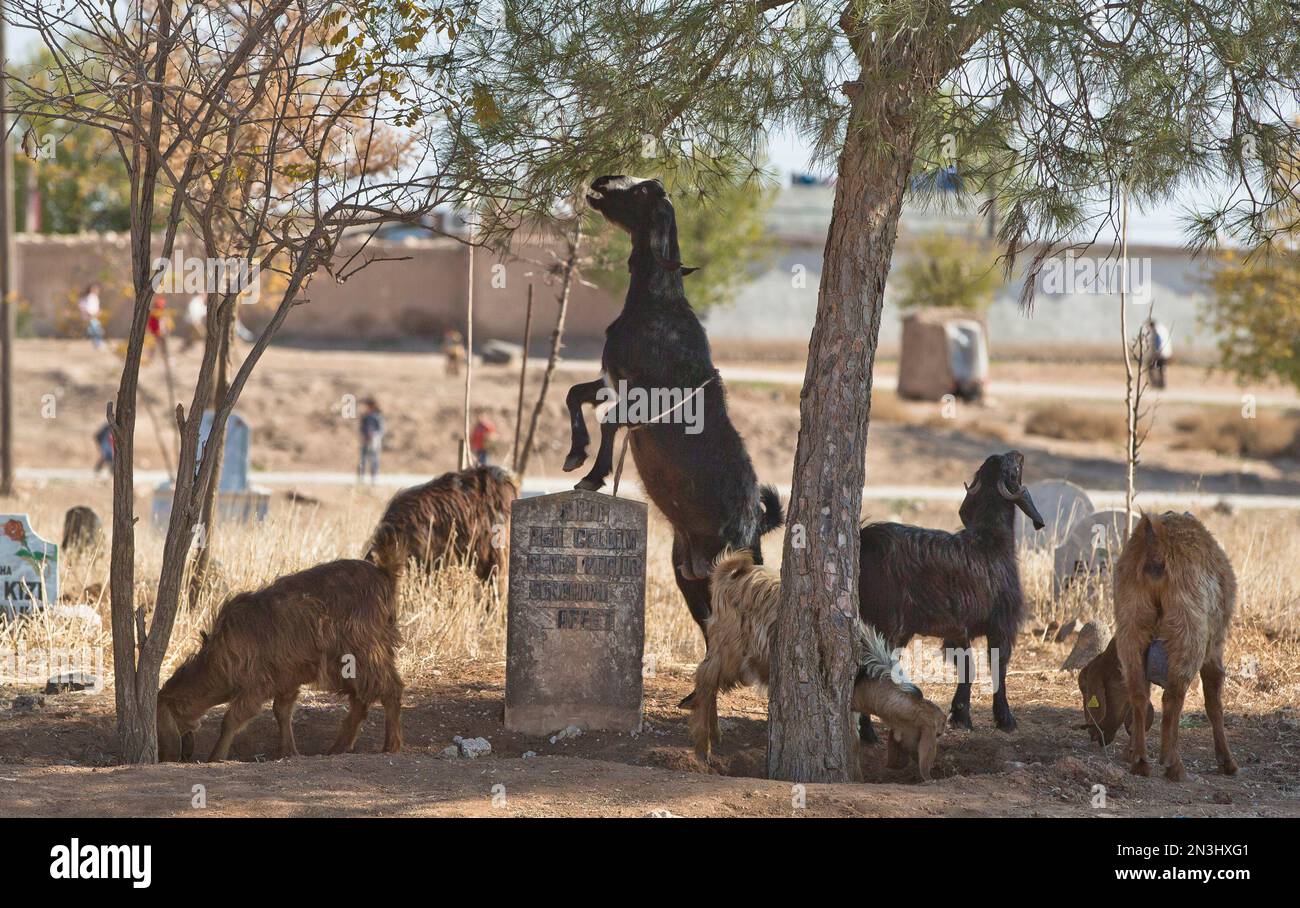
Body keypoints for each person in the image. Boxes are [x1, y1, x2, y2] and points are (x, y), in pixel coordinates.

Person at [358, 397, 385, 482]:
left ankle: (374, 477)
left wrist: (374, 436)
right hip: (365, 440)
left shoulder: (377, 416)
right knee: (363, 459)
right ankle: (361, 477)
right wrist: (364, 436)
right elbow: (361, 428)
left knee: (374, 459)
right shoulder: (365, 416)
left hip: (374, 441)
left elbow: (381, 429)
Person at [1143, 318, 1172, 389]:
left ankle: (1155, 384)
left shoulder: (1156, 331)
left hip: (1159, 353)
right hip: (1166, 353)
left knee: (1150, 367)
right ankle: (1162, 384)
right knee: (1161, 369)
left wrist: (1155, 353)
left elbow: (1157, 342)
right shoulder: (1163, 328)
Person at [78, 283, 105, 350]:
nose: (97, 290)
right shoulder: (90, 297)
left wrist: (98, 312)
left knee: (96, 330)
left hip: (94, 317)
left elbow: (95, 308)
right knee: (96, 331)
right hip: (91, 317)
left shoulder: (95, 297)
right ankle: (97, 344)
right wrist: (90, 314)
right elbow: (85, 306)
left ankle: (97, 344)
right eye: (95, 288)